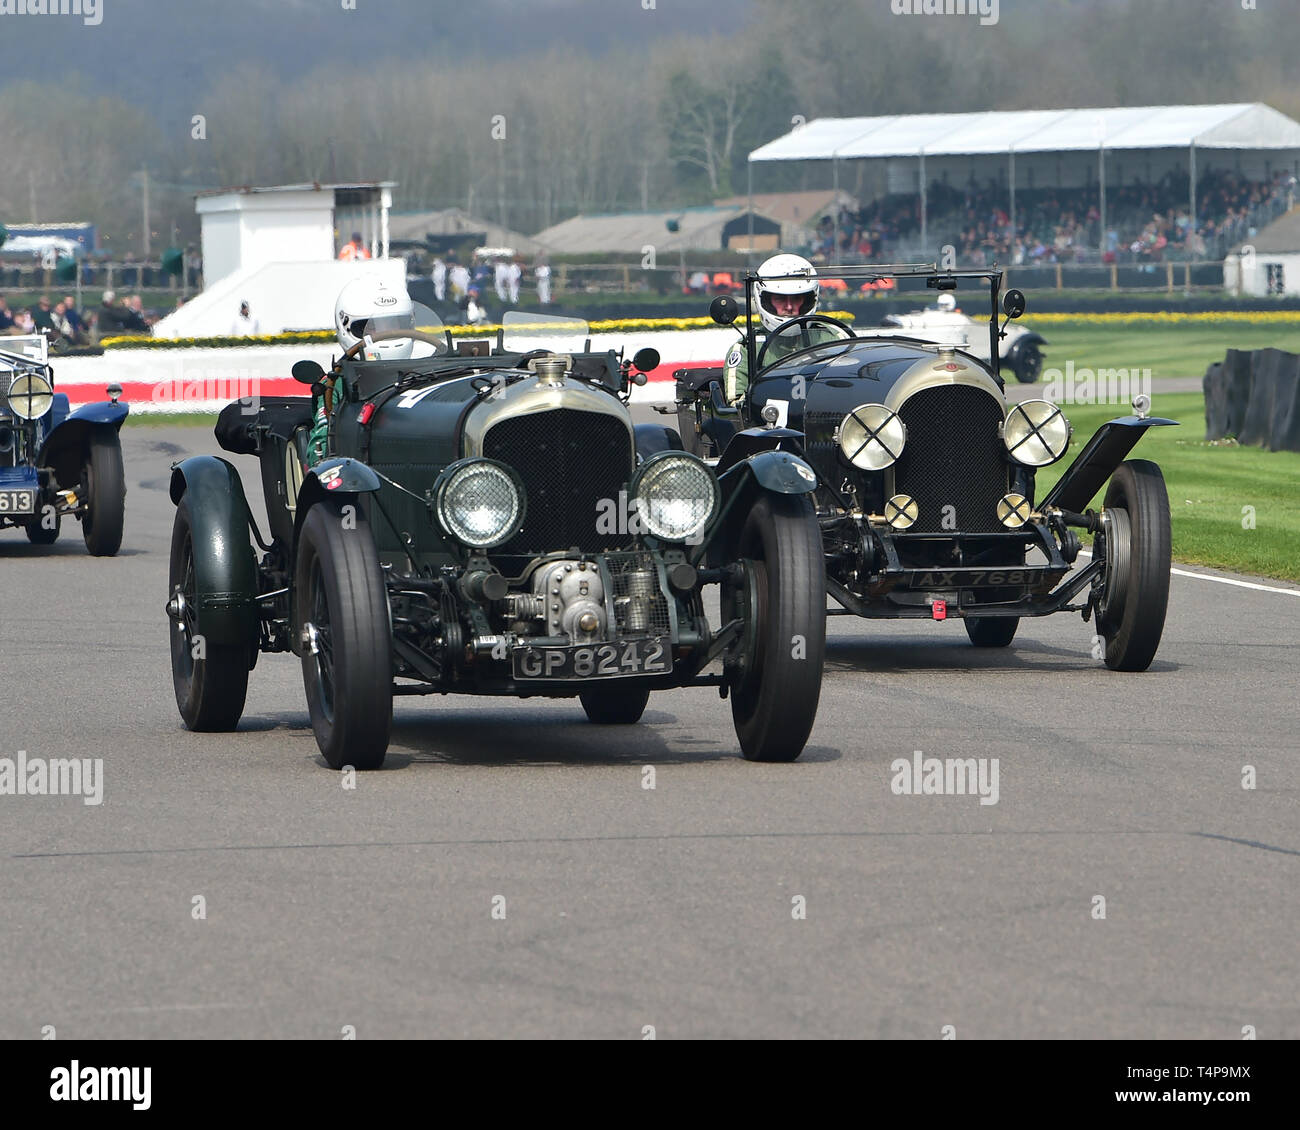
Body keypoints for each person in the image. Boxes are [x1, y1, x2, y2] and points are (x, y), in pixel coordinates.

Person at [308, 277, 419, 462]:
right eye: (371, 328)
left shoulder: (426, 375)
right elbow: (319, 450)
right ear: (348, 327)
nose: (387, 334)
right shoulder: (336, 385)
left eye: (396, 324)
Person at [723, 253, 840, 405]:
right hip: (769, 425)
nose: (789, 307)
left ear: (810, 299)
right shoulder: (746, 349)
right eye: (780, 299)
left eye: (797, 298)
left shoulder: (835, 339)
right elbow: (738, 406)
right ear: (764, 299)